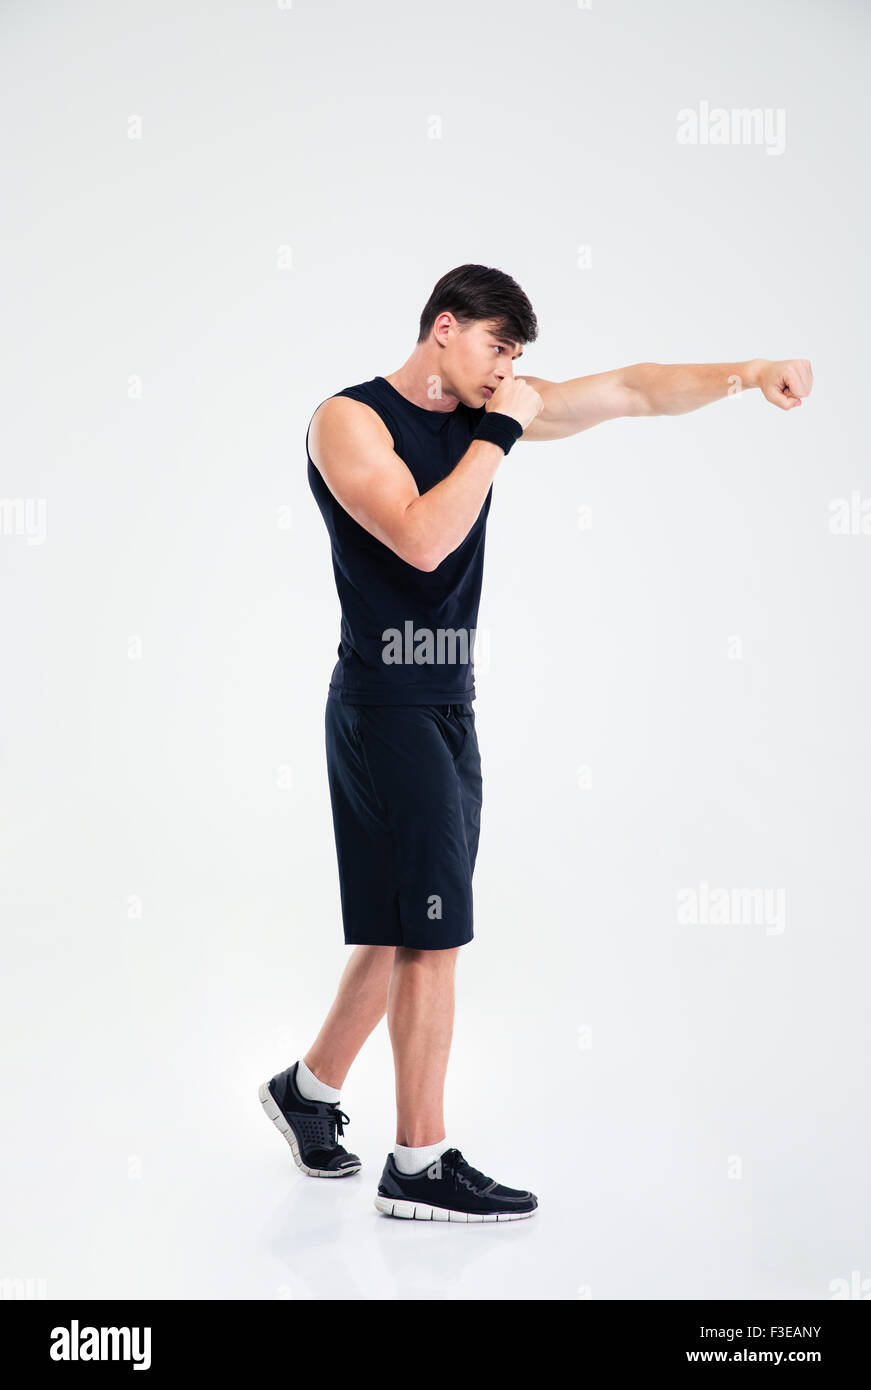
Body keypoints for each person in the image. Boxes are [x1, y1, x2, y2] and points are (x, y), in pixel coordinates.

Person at [259, 263, 813, 1222]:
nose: (508, 369)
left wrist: (749, 368)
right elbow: (423, 539)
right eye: (495, 346)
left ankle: (305, 1093)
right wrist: (502, 430)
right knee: (437, 937)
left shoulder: (491, 406)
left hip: (449, 700)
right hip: (384, 700)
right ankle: (418, 1166)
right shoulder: (349, 420)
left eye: (518, 357)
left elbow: (634, 386)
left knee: (407, 922)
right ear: (443, 327)